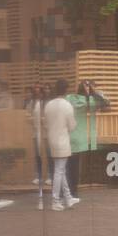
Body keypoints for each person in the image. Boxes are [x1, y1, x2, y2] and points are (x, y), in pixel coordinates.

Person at [43, 80, 79, 211]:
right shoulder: (67, 105)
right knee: (59, 171)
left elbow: (45, 124)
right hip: (62, 141)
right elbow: (72, 126)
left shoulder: (49, 105)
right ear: (66, 90)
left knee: (60, 170)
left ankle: (68, 198)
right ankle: (55, 201)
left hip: (51, 139)